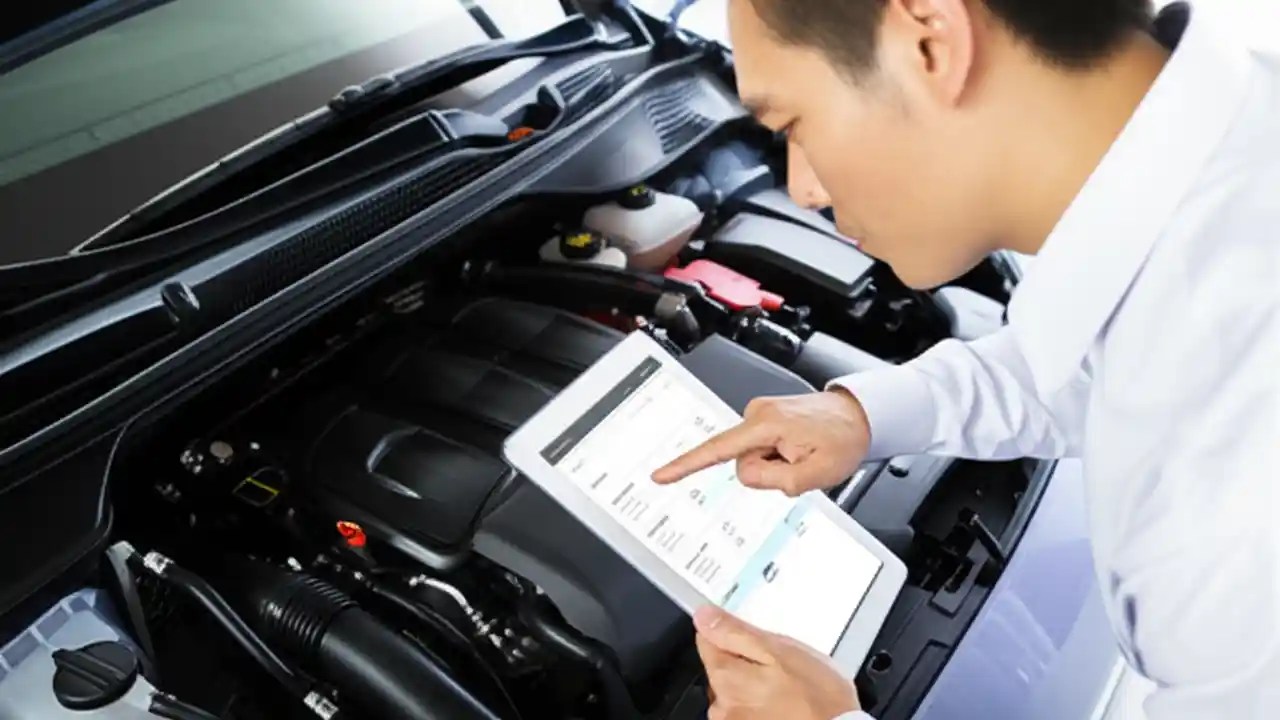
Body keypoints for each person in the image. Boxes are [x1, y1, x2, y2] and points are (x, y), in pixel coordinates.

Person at [651, 0, 1280, 718]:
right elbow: (1084, 363)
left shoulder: (1230, 489)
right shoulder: (1226, 164)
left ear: (931, 41)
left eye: (793, 124)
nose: (804, 189)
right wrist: (861, 414)